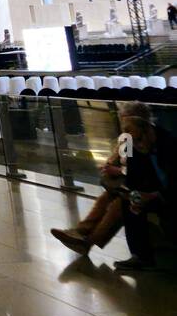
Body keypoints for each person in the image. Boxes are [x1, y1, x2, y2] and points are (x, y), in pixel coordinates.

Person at [51, 105, 174, 271]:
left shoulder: (168, 143)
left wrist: (152, 195)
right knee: (125, 199)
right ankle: (85, 236)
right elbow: (132, 173)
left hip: (166, 194)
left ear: (145, 127)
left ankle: (86, 239)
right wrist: (131, 191)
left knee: (119, 203)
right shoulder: (131, 141)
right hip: (148, 190)